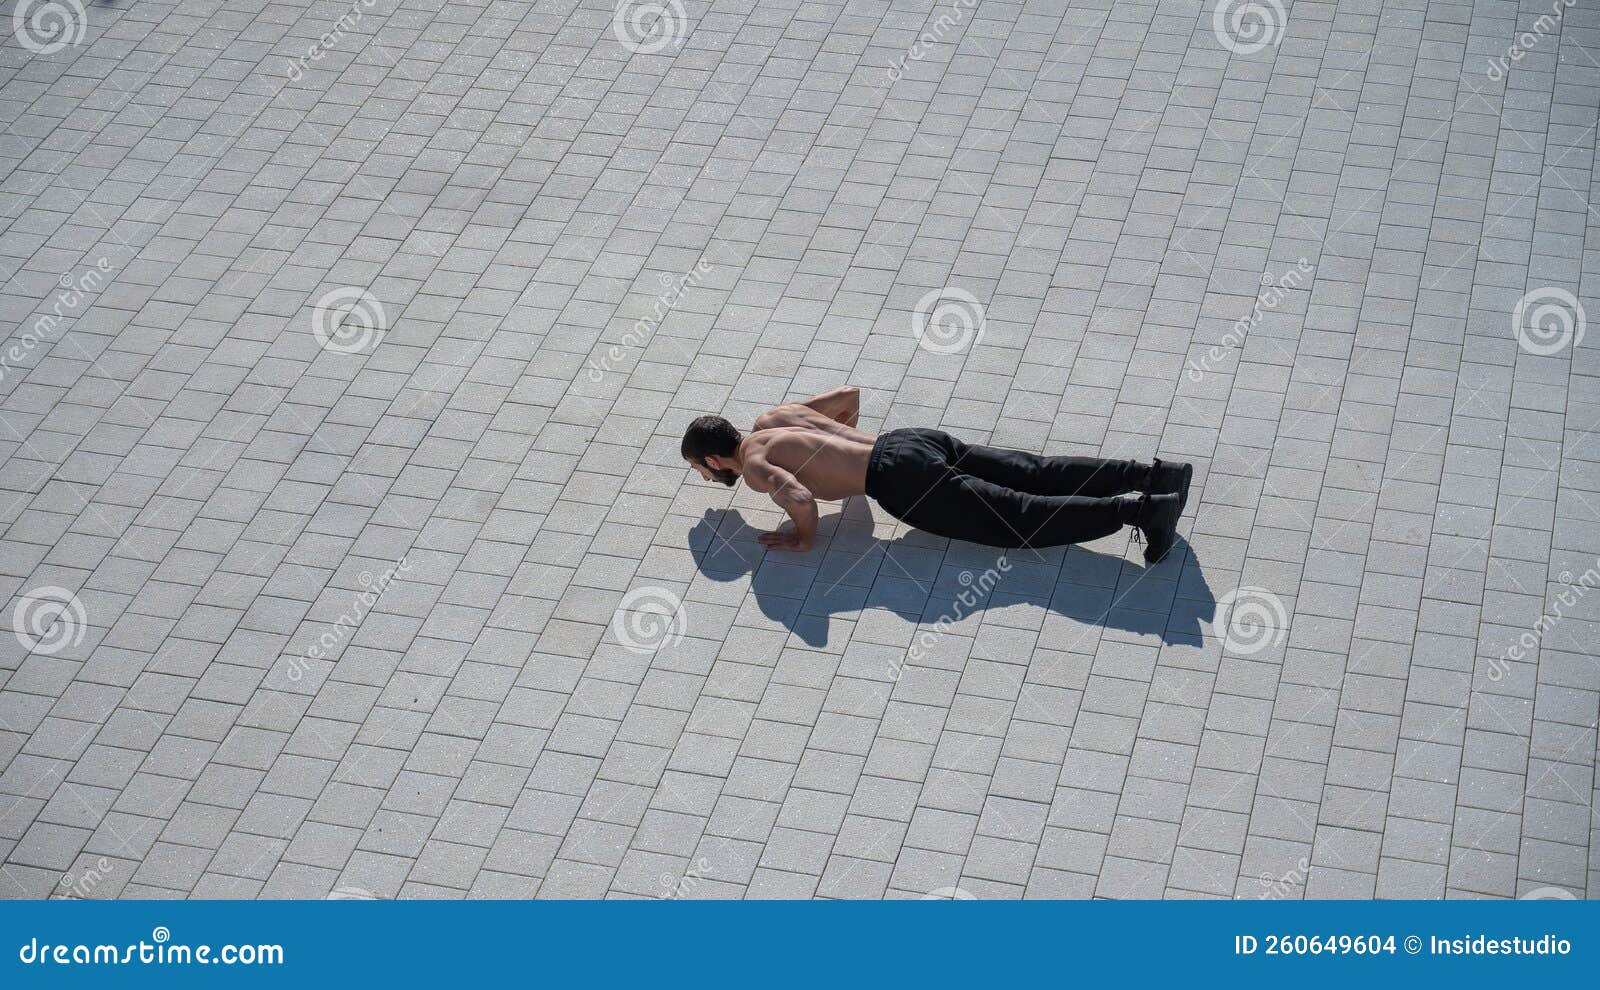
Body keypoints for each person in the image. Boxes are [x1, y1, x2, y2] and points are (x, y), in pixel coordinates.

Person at [680, 386, 1192, 562]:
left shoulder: (752, 467)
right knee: (1033, 470)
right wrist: (842, 464)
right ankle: (1156, 476)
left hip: (900, 480)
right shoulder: (774, 417)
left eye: (700, 472)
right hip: (907, 440)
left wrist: (802, 537)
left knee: (1017, 517)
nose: (706, 480)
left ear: (713, 459)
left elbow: (800, 498)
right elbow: (848, 399)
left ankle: (1144, 513)